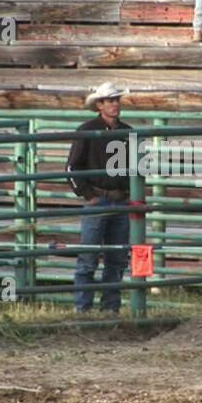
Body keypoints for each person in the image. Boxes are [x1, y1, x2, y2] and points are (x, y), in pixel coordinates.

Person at [66, 82, 133, 313]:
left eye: (116, 100)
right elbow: (72, 167)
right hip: (100, 198)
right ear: (100, 105)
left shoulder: (126, 131)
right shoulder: (88, 130)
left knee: (117, 257)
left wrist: (131, 194)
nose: (114, 104)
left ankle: (109, 308)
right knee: (89, 257)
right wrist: (87, 194)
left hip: (119, 199)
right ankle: (83, 308)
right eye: (109, 101)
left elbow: (136, 168)